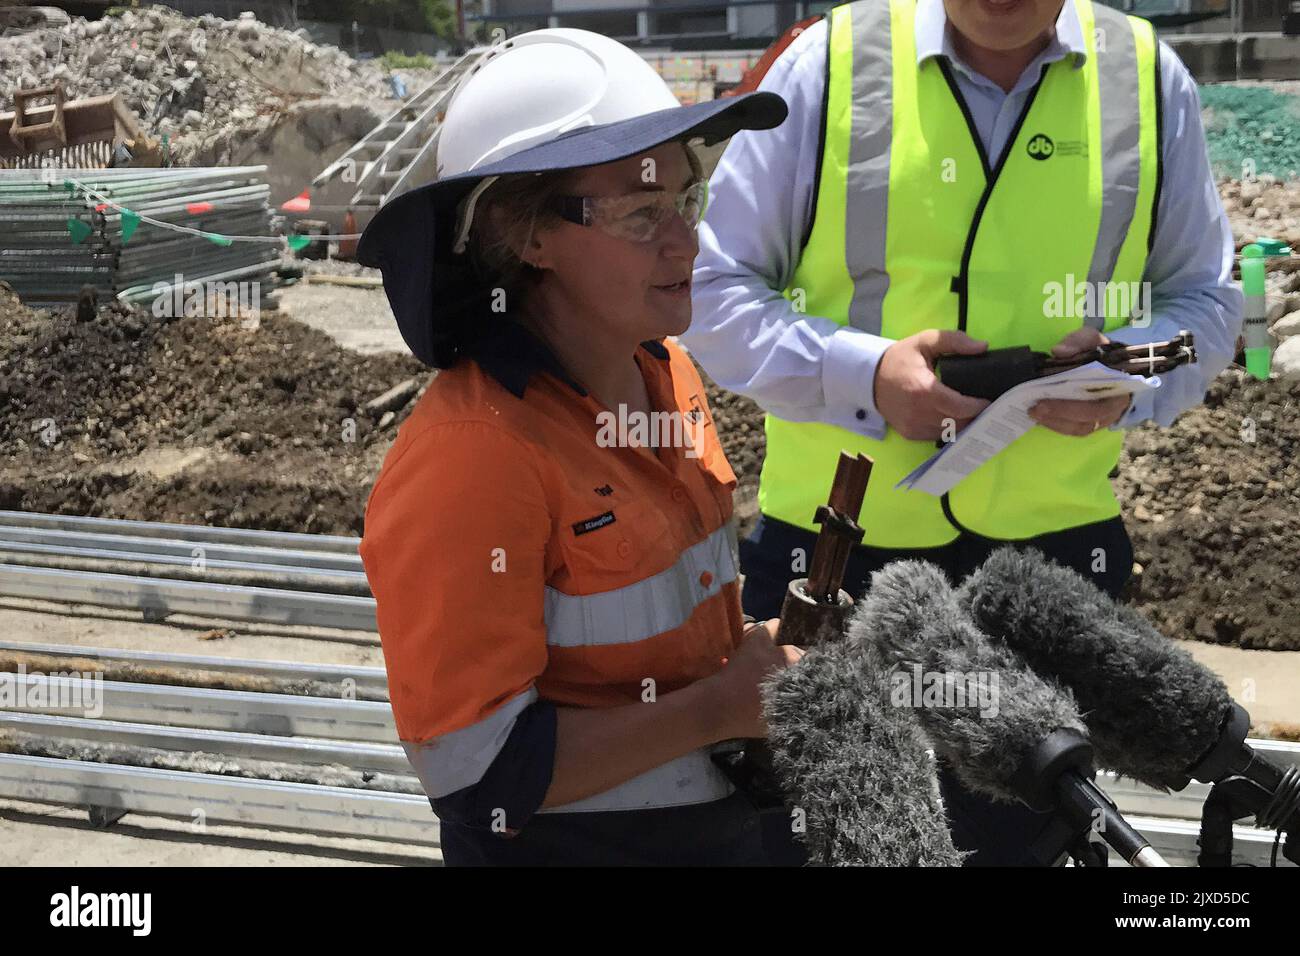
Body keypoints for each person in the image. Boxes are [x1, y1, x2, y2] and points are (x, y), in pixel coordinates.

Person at [683, 0, 1242, 865]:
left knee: (1026, 841)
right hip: (834, 572)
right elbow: (711, 288)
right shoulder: (831, 63)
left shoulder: (1145, 76)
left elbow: (1204, 296)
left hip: (1047, 582)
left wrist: (1129, 375)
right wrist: (864, 374)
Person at [355, 28, 796, 865]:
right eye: (640, 214)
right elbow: (475, 774)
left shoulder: (666, 370)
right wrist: (719, 708)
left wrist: (746, 663)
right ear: (528, 236)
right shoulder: (473, 457)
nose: (684, 243)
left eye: (684, 202)